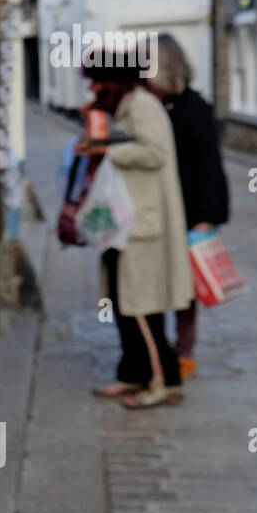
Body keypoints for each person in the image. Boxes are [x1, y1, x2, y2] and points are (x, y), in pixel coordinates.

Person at [78, 49, 193, 409]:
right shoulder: (126, 104)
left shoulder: (143, 105)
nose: (94, 86)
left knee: (141, 305)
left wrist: (107, 151)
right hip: (124, 219)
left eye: (98, 79)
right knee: (120, 300)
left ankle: (164, 380)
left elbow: (155, 152)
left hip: (143, 223)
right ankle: (132, 373)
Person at [145, 34, 229, 379]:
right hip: (156, 210)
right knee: (155, 282)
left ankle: (183, 353)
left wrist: (208, 217)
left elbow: (210, 165)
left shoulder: (195, 108)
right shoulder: (150, 107)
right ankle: (158, 350)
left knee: (186, 288)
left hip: (190, 211)